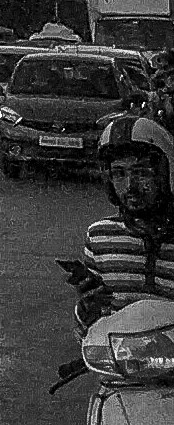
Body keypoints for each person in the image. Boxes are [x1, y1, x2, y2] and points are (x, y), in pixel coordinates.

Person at [71, 114, 174, 326]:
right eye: (119, 174)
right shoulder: (100, 237)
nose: (130, 186)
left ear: (165, 175)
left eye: (141, 173)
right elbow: (97, 327)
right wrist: (90, 310)